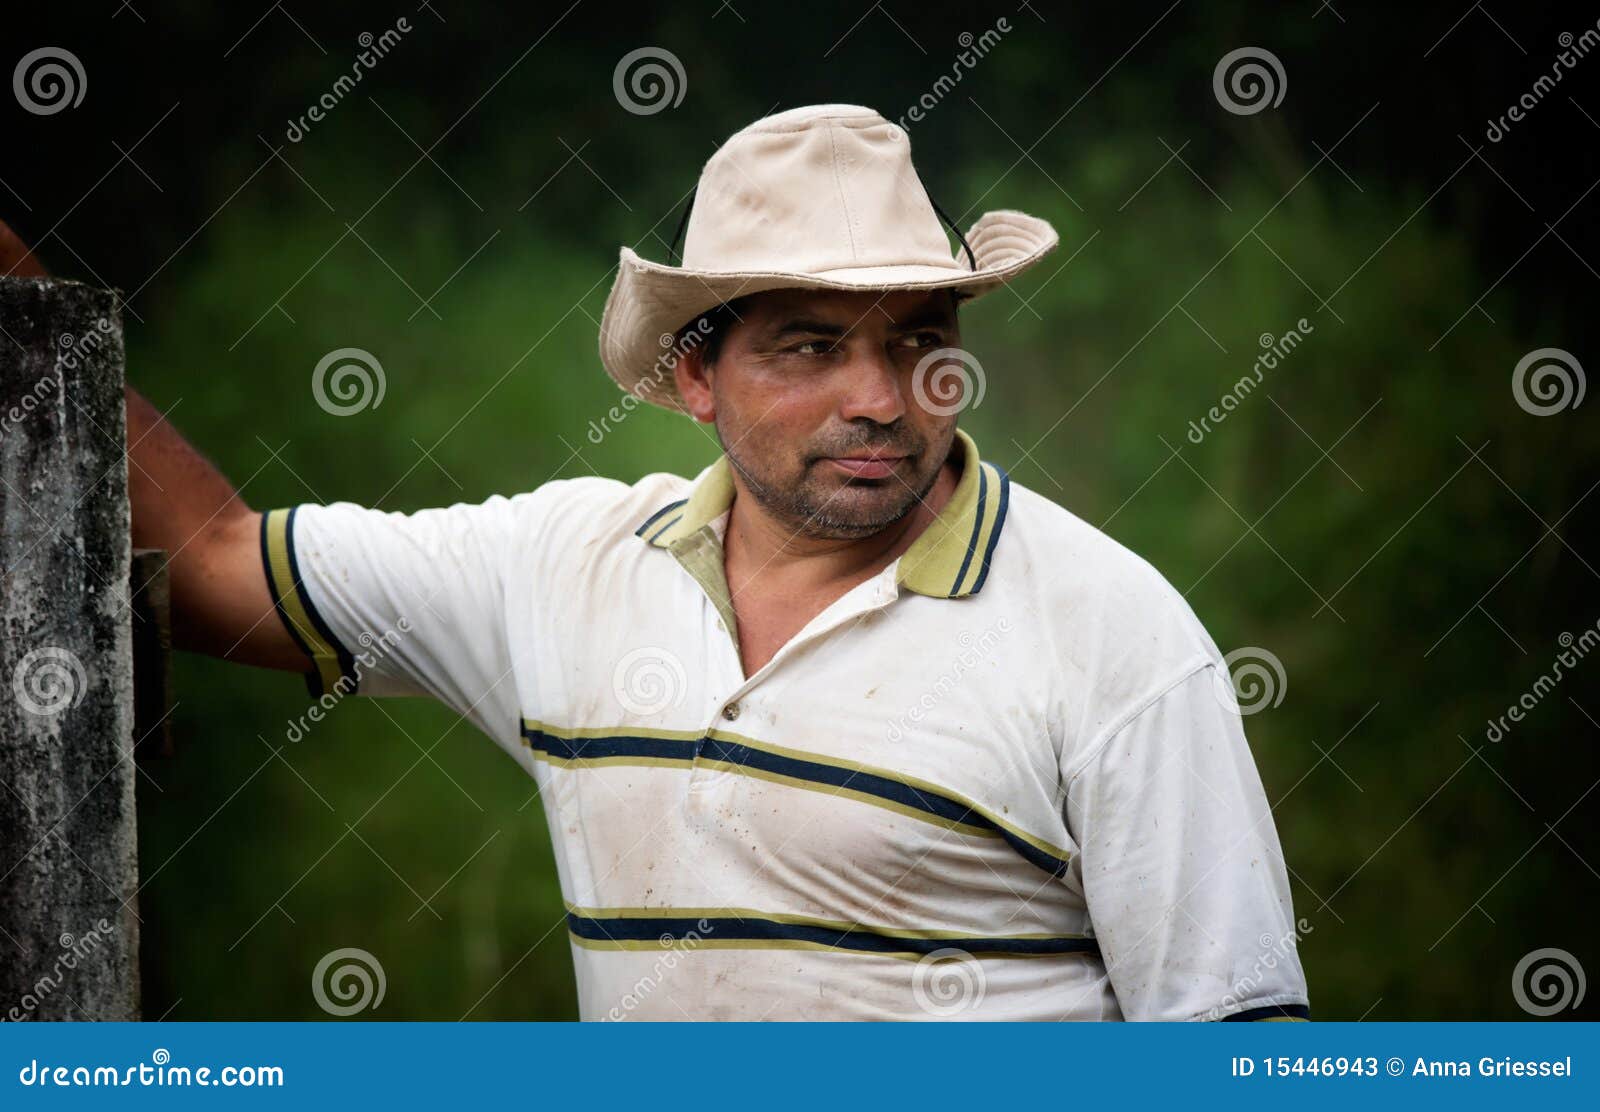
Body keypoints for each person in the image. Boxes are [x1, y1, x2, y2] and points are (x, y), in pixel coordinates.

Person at [1, 103, 1309, 1021]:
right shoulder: (565, 566)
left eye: (917, 338)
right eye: (807, 346)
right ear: (692, 375)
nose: (881, 395)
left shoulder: (1110, 632)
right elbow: (221, 558)